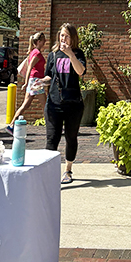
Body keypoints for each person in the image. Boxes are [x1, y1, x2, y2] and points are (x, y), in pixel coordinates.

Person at [41, 24, 86, 184]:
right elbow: (48, 76)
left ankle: (68, 169)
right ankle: (48, 174)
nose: (63, 39)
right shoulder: (53, 54)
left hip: (73, 104)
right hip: (54, 103)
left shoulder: (78, 54)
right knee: (51, 139)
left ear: (73, 38)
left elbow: (80, 71)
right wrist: (40, 82)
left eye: (66, 36)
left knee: (70, 137)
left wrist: (71, 55)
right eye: (61, 35)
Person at [7, 32, 47, 134]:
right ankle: (52, 126)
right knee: (45, 105)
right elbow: (30, 67)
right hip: (36, 81)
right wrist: (26, 82)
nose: (45, 42)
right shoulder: (37, 53)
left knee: (25, 105)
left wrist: (27, 82)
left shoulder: (33, 52)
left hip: (33, 80)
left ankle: (11, 125)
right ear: (38, 41)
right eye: (43, 40)